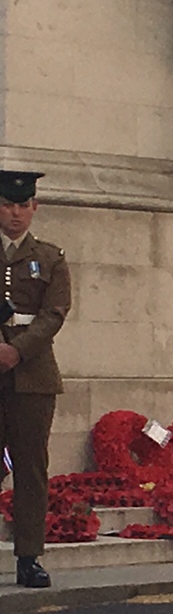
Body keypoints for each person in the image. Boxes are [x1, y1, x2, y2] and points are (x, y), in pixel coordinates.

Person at [0, 170, 70, 588]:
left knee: (30, 468)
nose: (15, 213)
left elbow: (55, 312)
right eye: (8, 205)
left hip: (32, 374)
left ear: (34, 208)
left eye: (23, 206)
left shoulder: (50, 256)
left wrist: (17, 350)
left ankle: (28, 556)